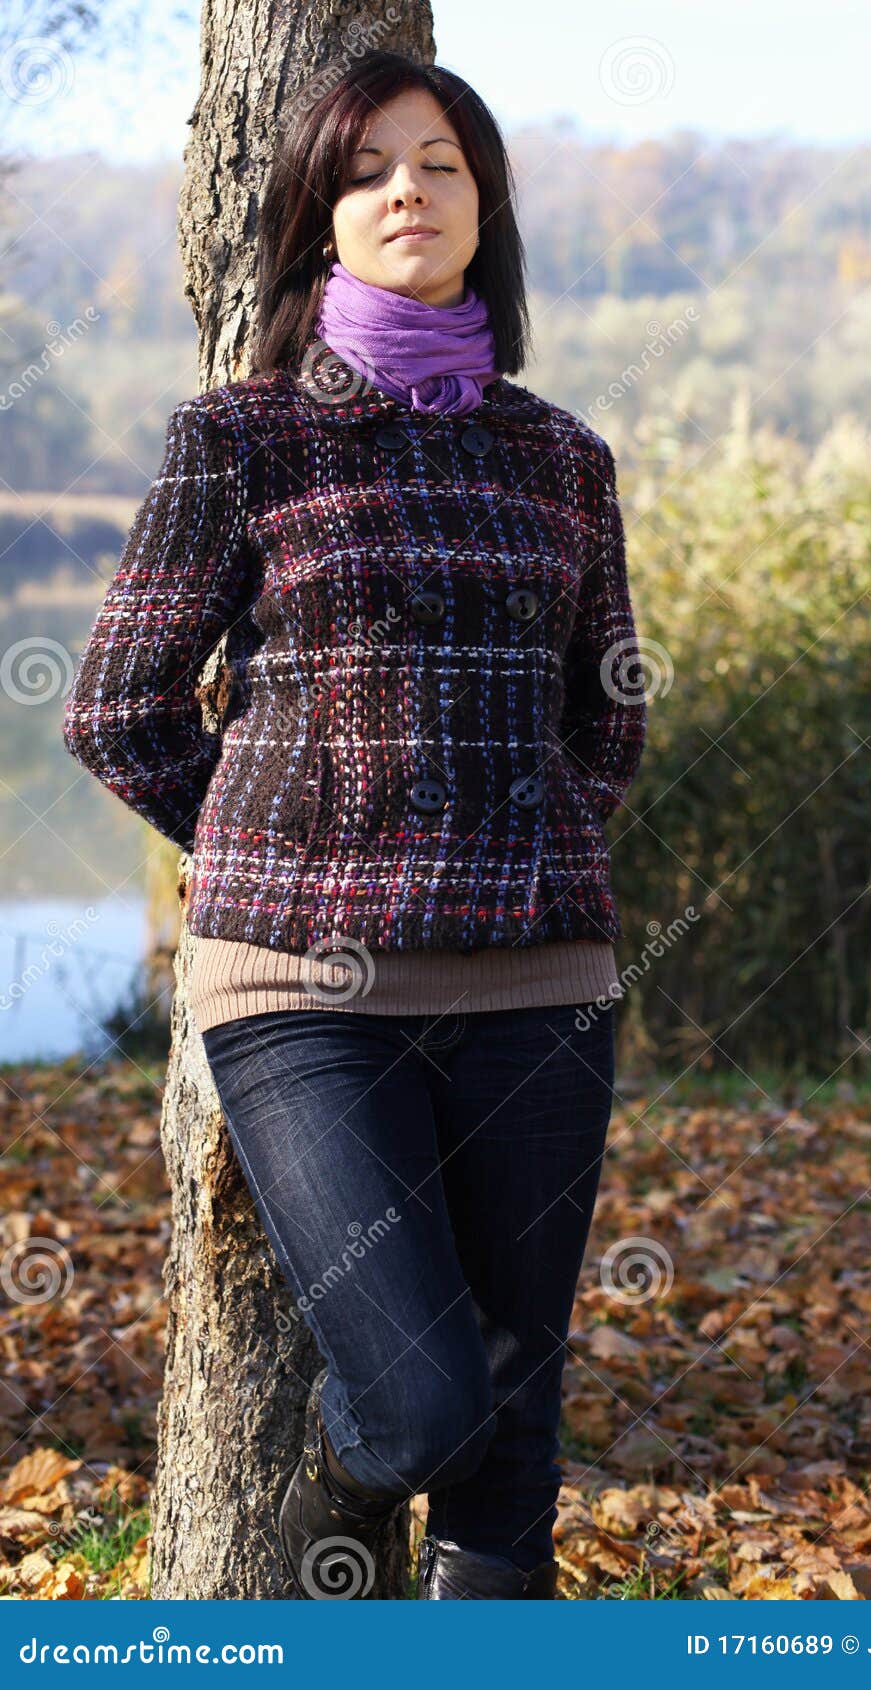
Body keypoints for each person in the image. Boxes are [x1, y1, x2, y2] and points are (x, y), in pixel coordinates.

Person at [62, 48, 646, 1600]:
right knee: (427, 1403)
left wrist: (540, 855)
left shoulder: (563, 459)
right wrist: (282, 851)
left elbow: (612, 712)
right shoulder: (241, 438)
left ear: (484, 203)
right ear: (324, 214)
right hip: (300, 997)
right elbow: (116, 706)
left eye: (440, 164)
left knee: (513, 1444)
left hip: (536, 990)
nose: (408, 191)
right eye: (372, 168)